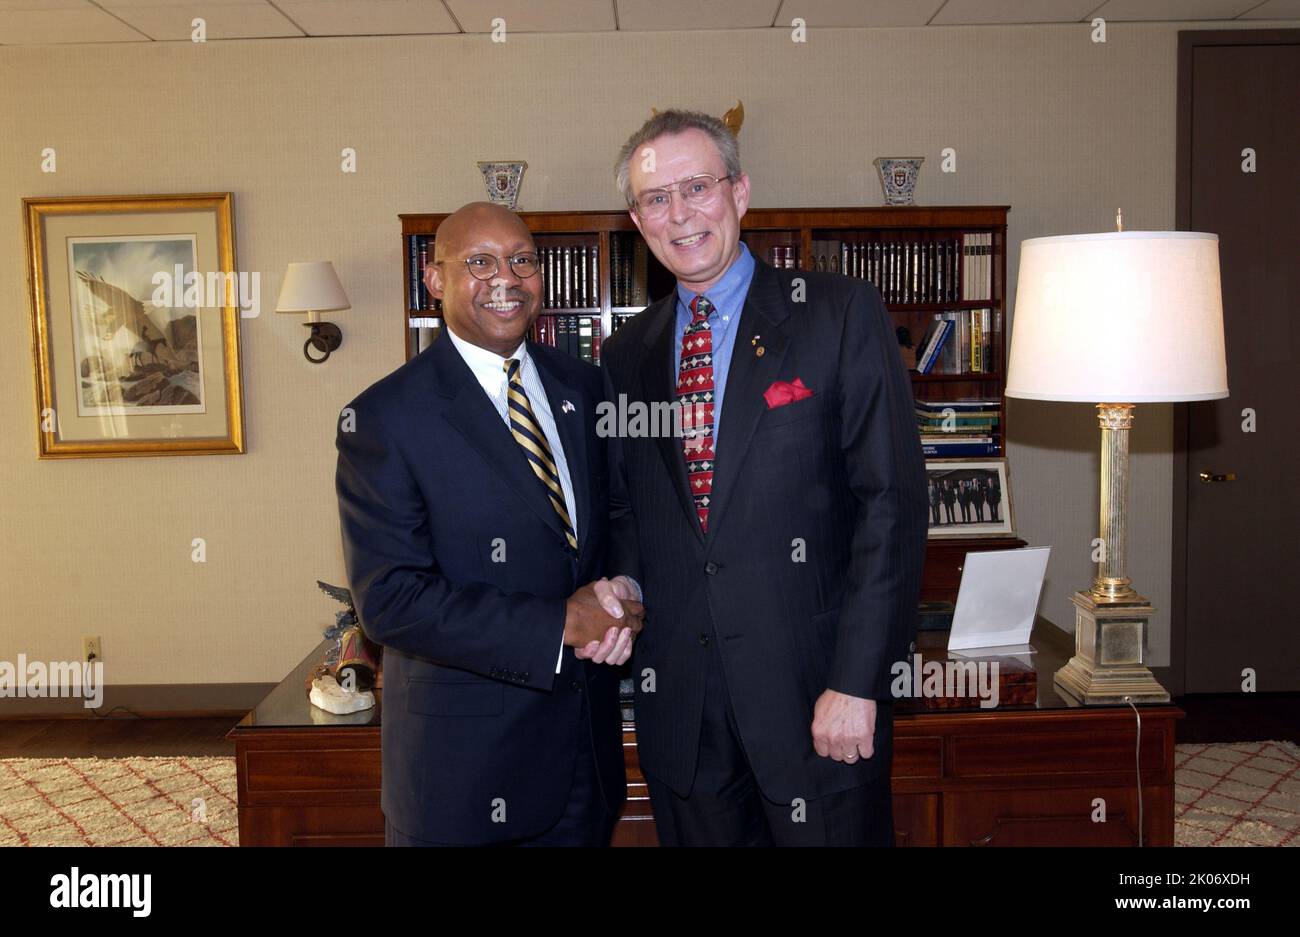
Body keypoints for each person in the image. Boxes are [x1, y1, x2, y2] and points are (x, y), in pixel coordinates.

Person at [600, 110, 928, 846]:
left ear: (740, 192)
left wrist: (857, 681)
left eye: (697, 187)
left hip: (818, 699)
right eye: (656, 198)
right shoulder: (626, 353)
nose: (679, 213)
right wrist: (622, 589)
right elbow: (630, 513)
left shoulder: (838, 315)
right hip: (684, 718)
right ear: (636, 218)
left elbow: (893, 508)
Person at [335, 202, 643, 846]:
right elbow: (390, 601)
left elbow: (621, 515)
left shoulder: (587, 387)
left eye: (522, 260)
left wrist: (626, 594)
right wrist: (561, 623)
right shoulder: (385, 419)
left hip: (585, 763)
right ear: (436, 280)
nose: (506, 277)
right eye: (478, 262)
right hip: (465, 777)